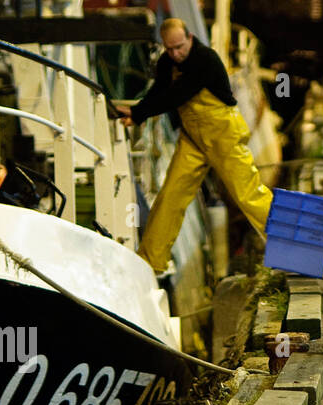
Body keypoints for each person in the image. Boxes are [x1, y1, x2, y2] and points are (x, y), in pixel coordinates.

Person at [117, 18, 272, 274]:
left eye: (179, 47)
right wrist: (136, 113)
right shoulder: (168, 62)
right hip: (193, 138)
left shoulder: (205, 59)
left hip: (222, 133)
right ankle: (150, 261)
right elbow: (160, 90)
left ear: (189, 38)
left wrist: (139, 113)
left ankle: (290, 247)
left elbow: (178, 95)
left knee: (248, 195)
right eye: (169, 49)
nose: (175, 54)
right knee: (170, 196)